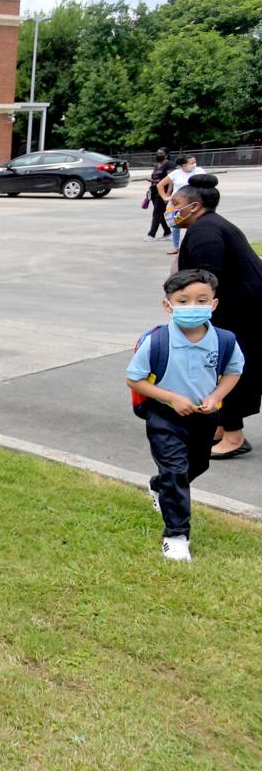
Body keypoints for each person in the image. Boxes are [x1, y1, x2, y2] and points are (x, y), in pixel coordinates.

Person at [126, 269, 243, 561]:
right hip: (164, 417)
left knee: (198, 465)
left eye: (201, 300)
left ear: (213, 304)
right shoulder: (157, 341)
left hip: (204, 418)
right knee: (176, 471)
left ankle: (159, 485)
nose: (193, 307)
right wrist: (172, 398)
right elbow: (134, 379)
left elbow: (233, 371)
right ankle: (176, 536)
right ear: (168, 306)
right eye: (183, 300)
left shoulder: (224, 340)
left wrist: (216, 397)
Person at [173, 173, 262, 459]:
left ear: (195, 206)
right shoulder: (210, 226)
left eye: (176, 203)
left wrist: (195, 315)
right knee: (222, 367)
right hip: (242, 309)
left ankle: (234, 436)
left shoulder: (205, 232)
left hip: (240, 313)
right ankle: (222, 427)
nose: (171, 209)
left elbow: (206, 282)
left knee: (227, 368)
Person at [156, 155, 202, 256]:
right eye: (191, 163)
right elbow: (160, 185)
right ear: (184, 165)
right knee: (175, 225)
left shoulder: (199, 171)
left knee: (193, 225)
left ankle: (191, 246)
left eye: (195, 162)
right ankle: (176, 246)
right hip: (177, 203)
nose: (194, 165)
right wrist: (165, 197)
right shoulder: (176, 173)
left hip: (193, 203)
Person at [144, 148, 175, 243]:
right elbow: (157, 177)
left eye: (161, 153)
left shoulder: (169, 164)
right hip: (154, 191)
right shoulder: (157, 165)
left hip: (163, 192)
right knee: (160, 213)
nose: (158, 154)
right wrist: (151, 180)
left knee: (156, 213)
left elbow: (171, 180)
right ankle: (167, 232)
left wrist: (168, 194)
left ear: (166, 154)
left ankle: (151, 235)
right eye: (157, 153)